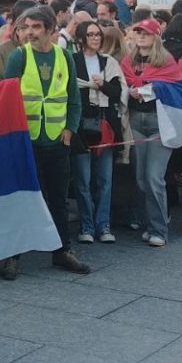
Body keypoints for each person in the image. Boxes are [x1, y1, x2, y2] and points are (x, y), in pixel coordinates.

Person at [1, 7, 92, 273]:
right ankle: (13, 255)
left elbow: (74, 99)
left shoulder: (64, 57)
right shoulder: (19, 56)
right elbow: (7, 99)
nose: (30, 32)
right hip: (27, 140)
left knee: (58, 199)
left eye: (36, 27)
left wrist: (69, 130)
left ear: (51, 30)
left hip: (56, 140)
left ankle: (62, 250)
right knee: (23, 197)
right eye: (26, 27)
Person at [121, 19, 182, 247]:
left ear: (155, 36)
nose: (141, 35)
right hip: (136, 121)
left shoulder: (166, 61)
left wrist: (150, 90)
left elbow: (178, 88)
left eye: (145, 32)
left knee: (154, 177)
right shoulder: (128, 61)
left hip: (160, 122)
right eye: (137, 31)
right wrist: (129, 91)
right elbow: (122, 83)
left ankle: (160, 229)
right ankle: (149, 225)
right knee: (140, 179)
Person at [71, 19, 123, 245]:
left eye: (98, 34)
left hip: (104, 124)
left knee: (105, 179)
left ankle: (103, 225)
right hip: (81, 124)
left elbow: (118, 92)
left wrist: (101, 84)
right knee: (82, 179)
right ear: (81, 38)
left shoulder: (108, 61)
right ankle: (87, 225)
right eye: (90, 34)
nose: (95, 38)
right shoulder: (71, 61)